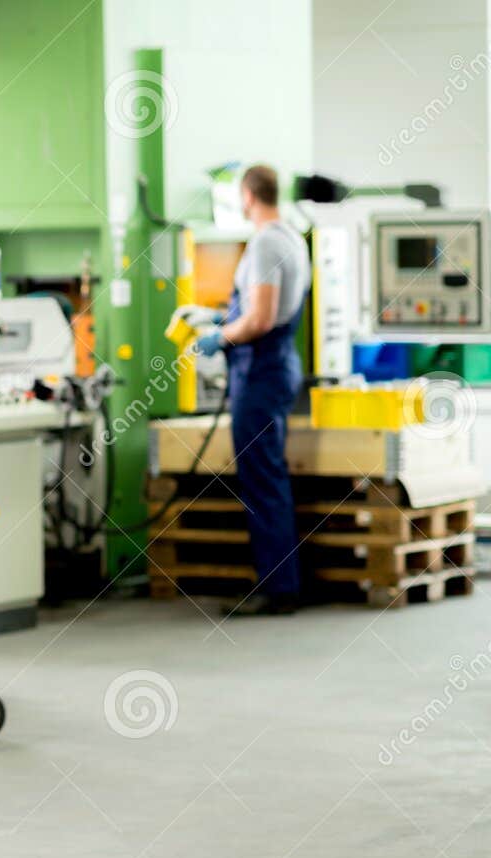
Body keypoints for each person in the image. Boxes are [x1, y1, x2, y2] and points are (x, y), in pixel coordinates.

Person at [177, 164, 311, 616]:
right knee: (265, 474)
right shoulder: (291, 237)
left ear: (247, 196)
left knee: (261, 479)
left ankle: (278, 588)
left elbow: (261, 318)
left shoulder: (266, 242)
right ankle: (281, 582)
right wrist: (217, 317)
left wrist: (220, 337)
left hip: (260, 371)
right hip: (275, 366)